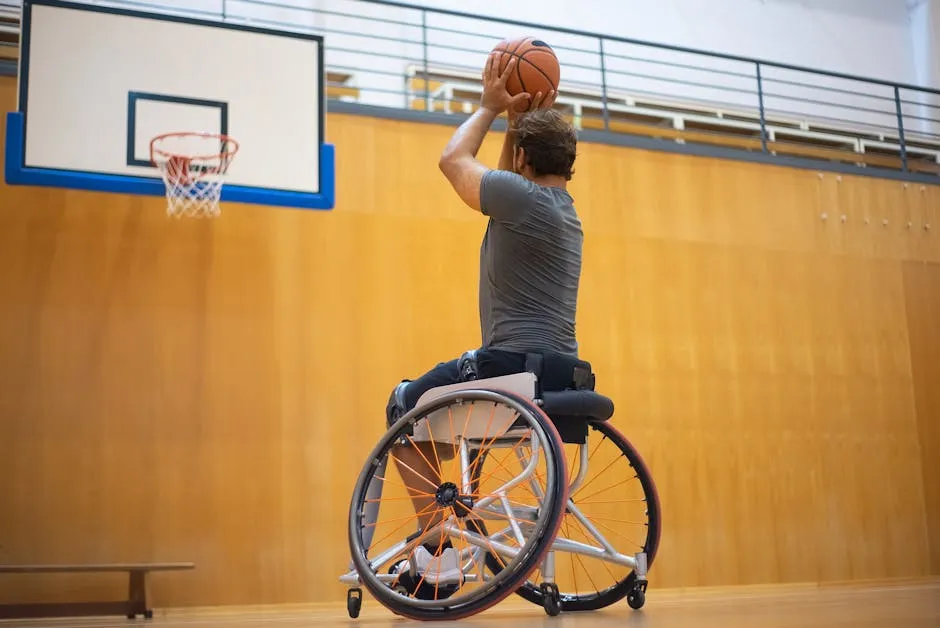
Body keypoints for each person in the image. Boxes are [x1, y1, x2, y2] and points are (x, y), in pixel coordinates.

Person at [385, 53, 587, 598]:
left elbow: (454, 159)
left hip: (509, 367)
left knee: (403, 405)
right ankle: (449, 522)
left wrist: (489, 107)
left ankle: (436, 549)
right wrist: (517, 123)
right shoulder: (563, 211)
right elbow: (497, 179)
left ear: (521, 157)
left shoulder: (521, 199)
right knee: (439, 412)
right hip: (558, 375)